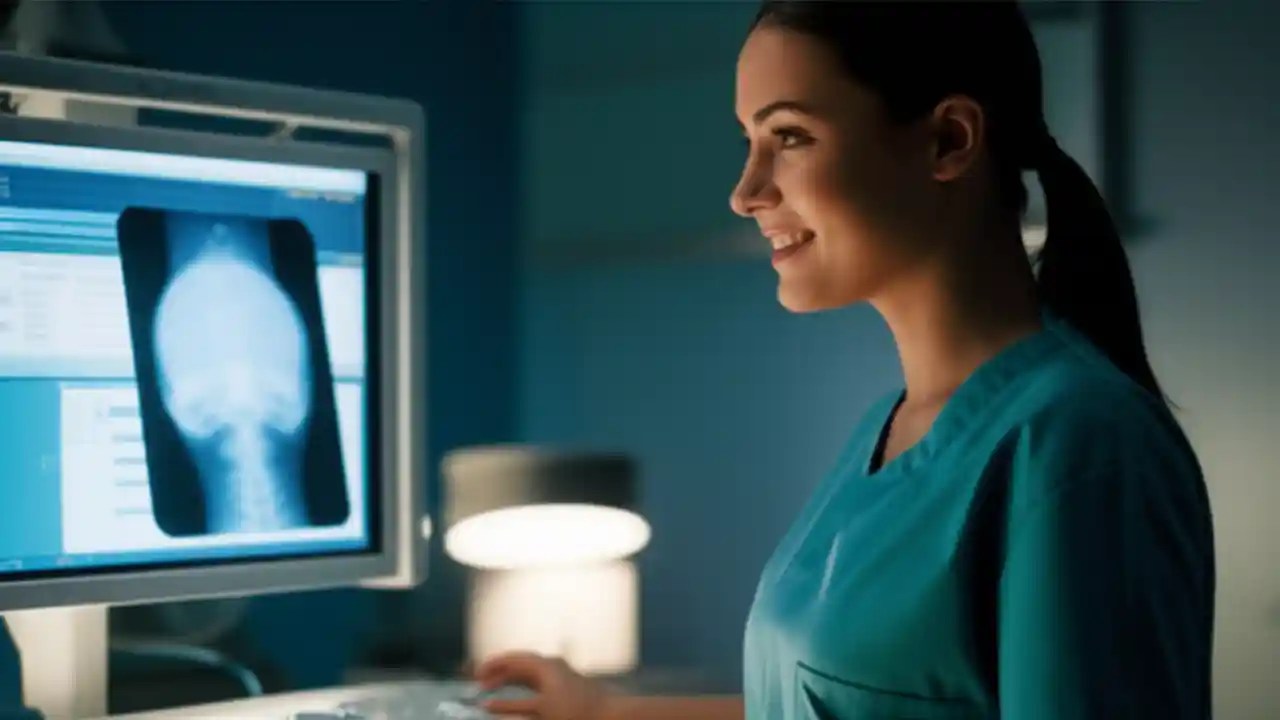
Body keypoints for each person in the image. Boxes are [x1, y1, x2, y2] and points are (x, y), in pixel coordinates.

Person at [475, 2, 1216, 718]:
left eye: (790, 136)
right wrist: (603, 713)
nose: (746, 192)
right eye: (749, 143)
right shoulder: (887, 433)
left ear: (949, 141)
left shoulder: (1077, 446)